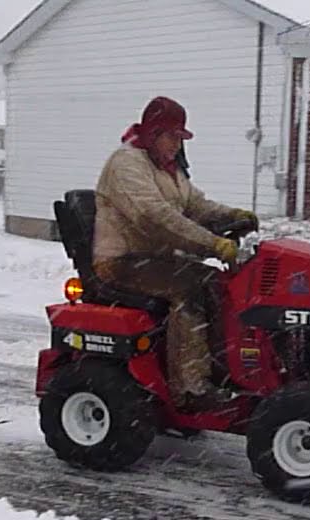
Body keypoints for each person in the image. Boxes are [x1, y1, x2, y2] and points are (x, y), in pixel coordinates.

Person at [93, 96, 259, 412]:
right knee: (191, 287)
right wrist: (212, 244)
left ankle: (225, 372)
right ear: (153, 133)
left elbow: (196, 206)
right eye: (172, 136)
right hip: (122, 261)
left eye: (180, 138)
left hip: (156, 259)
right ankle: (191, 389)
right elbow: (154, 218)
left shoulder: (169, 169)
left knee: (221, 284)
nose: (177, 145)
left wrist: (232, 216)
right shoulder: (126, 163)